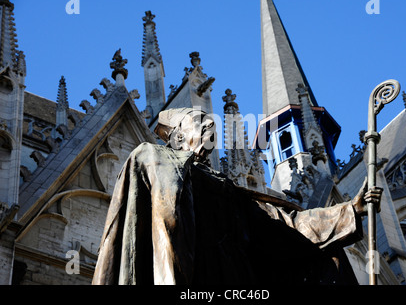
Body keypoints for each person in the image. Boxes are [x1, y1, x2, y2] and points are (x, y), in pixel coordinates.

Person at [92, 108, 382, 285]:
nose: (208, 129)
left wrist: (350, 211)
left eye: (211, 127)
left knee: (326, 259)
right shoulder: (152, 156)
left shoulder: (228, 189)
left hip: (235, 278)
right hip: (190, 272)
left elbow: (281, 227)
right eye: (199, 123)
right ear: (178, 137)